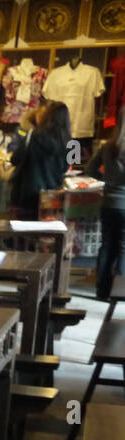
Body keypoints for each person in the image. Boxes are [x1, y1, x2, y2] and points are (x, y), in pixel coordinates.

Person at [85, 105, 125, 299]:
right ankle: (119, 290)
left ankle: (101, 290)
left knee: (106, 244)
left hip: (108, 202)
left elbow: (90, 169)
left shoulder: (107, 145)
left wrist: (106, 179)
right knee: (124, 247)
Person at [9, 101, 72, 218]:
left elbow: (14, 159)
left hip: (27, 194)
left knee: (24, 232)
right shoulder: (73, 143)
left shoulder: (32, 135)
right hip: (53, 197)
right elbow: (69, 169)